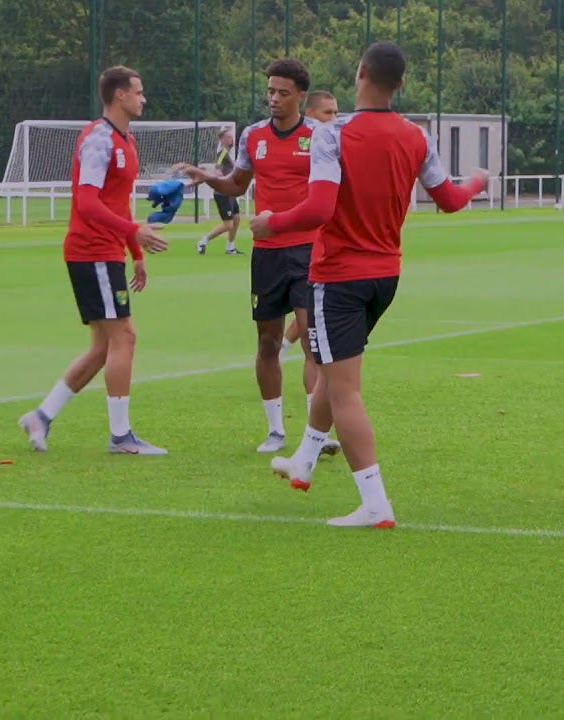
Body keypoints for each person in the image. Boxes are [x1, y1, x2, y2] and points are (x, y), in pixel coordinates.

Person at [250, 42, 487, 528]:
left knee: (344, 390)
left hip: (338, 275)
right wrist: (478, 181)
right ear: (400, 83)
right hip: (386, 275)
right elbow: (450, 200)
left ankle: (375, 504)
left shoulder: (332, 134)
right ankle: (305, 461)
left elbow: (319, 209)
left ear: (360, 73)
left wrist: (271, 222)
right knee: (335, 372)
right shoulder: (416, 137)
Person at [175, 59, 340, 455]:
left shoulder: (319, 136)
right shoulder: (253, 136)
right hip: (266, 254)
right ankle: (275, 431)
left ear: (301, 95)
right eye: (270, 91)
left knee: (311, 343)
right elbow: (236, 183)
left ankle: (314, 435)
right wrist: (207, 176)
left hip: (308, 251)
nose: (274, 99)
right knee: (267, 341)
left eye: (283, 93)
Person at [18, 66, 170, 455]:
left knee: (104, 347)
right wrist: (134, 233)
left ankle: (42, 416)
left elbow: (118, 203)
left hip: (108, 253)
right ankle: (121, 437)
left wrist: (135, 253)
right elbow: (87, 203)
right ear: (120, 95)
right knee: (126, 337)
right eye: (138, 92)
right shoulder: (99, 140)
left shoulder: (126, 141)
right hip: (91, 251)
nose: (143, 99)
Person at [281, 90, 340, 358]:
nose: (334, 119)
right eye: (328, 113)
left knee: (315, 309)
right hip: (296, 240)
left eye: (336, 113)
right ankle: (283, 349)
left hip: (326, 238)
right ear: (311, 114)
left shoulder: (335, 141)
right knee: (313, 309)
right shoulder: (302, 140)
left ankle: (287, 348)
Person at [197, 128, 244, 255]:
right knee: (228, 224)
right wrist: (218, 172)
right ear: (222, 140)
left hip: (230, 192)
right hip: (222, 193)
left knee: (237, 219)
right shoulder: (222, 152)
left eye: (231, 136)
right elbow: (218, 166)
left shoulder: (228, 153)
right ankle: (203, 241)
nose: (231, 139)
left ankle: (230, 247)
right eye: (228, 137)